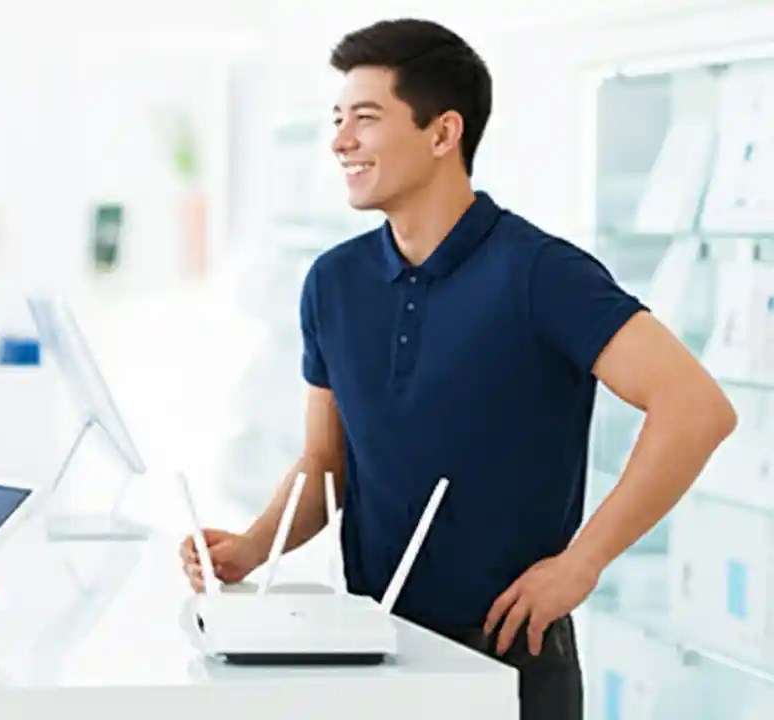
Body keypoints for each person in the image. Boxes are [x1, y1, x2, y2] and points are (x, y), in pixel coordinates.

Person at [179, 18, 736, 720]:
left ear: (444, 133)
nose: (341, 141)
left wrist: (581, 563)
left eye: (366, 119)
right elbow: (328, 461)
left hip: (509, 661)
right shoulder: (333, 282)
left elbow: (695, 408)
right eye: (338, 119)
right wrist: (251, 549)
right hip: (371, 650)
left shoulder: (540, 273)